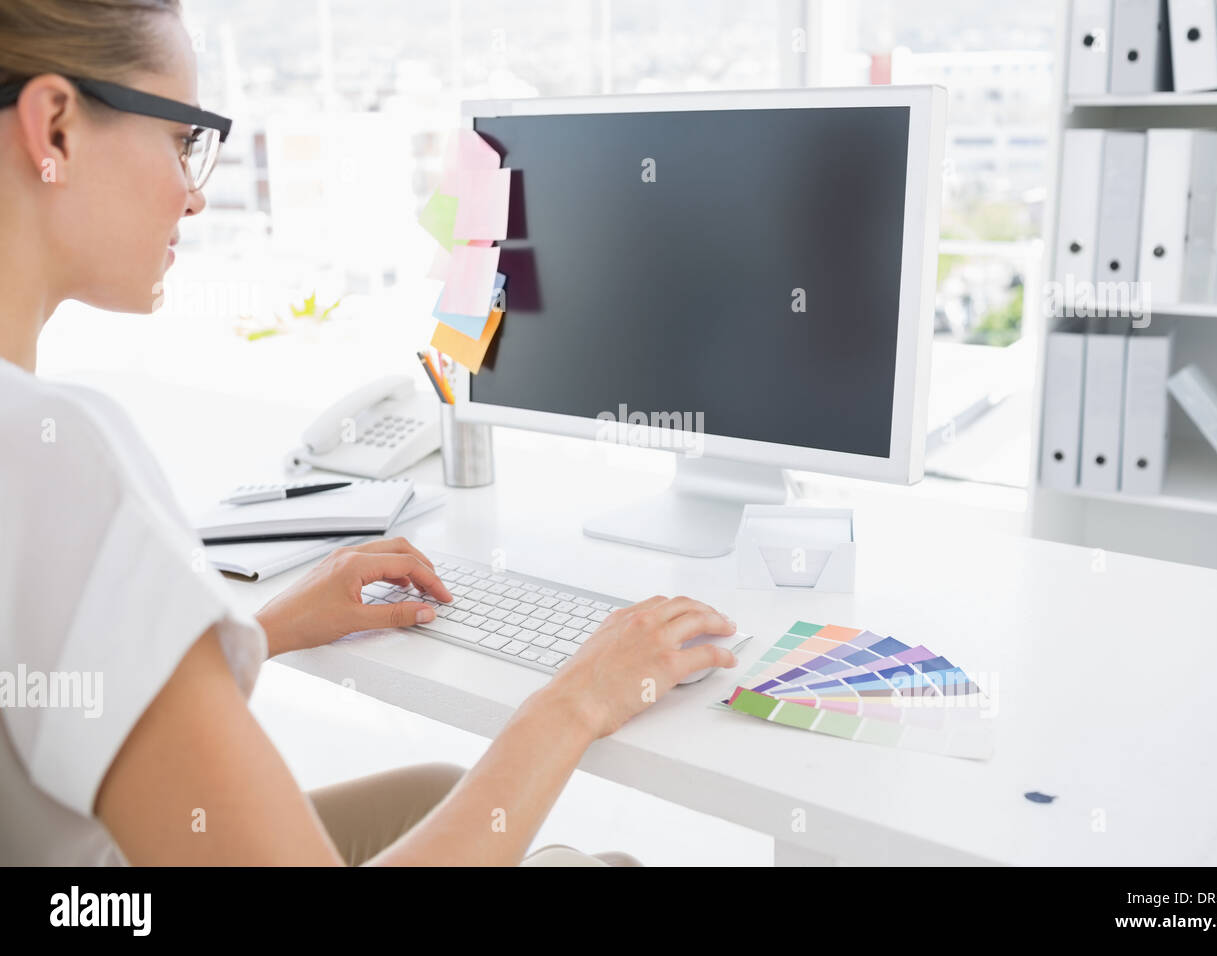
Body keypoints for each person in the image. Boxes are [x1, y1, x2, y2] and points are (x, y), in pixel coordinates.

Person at [0, 0, 737, 866]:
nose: (195, 195)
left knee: (431, 792)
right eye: (182, 139)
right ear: (53, 128)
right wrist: (580, 697)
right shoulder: (55, 454)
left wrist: (261, 630)